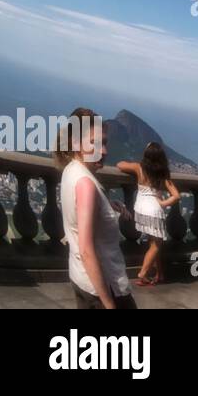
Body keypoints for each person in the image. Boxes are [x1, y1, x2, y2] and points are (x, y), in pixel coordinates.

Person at [55, 108, 135, 309]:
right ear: (75, 143)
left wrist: (107, 206)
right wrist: (109, 304)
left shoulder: (70, 170)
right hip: (104, 287)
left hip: (81, 279)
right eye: (95, 143)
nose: (104, 151)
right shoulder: (86, 185)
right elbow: (87, 250)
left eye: (105, 143)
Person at [117, 142, 180, 287]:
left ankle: (159, 274)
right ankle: (143, 274)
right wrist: (163, 203)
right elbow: (176, 196)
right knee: (157, 245)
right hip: (154, 210)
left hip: (140, 208)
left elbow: (120, 165)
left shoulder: (139, 168)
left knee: (153, 243)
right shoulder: (163, 174)